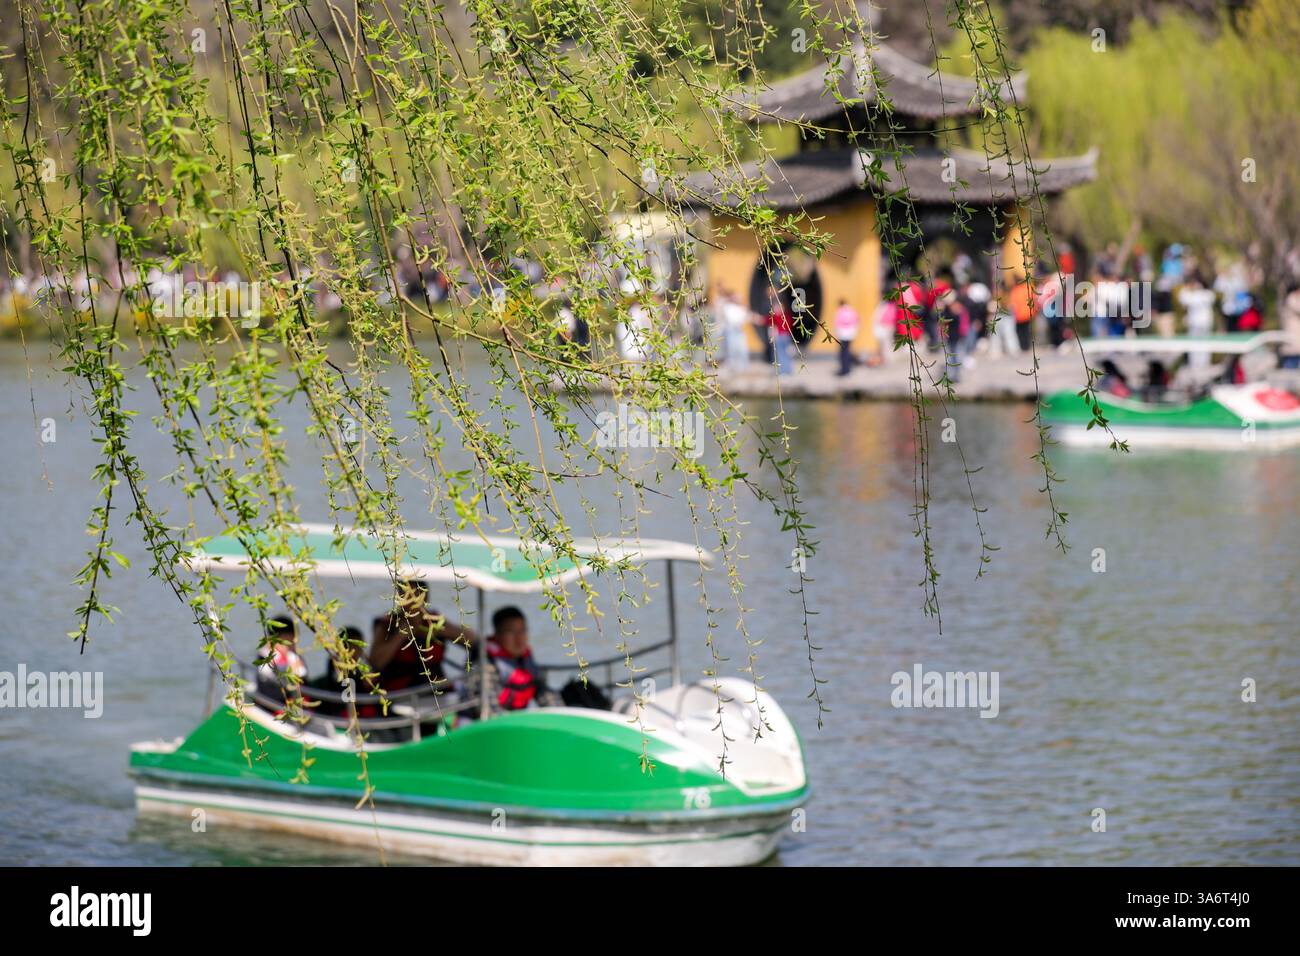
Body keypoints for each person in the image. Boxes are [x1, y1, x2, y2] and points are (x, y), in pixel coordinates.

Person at [369, 580, 477, 694]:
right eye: (404, 595)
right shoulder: (388, 623)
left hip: (437, 689)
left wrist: (441, 632)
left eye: (415, 595)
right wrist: (401, 635)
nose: (409, 601)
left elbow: (474, 641)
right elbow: (376, 662)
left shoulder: (434, 621)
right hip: (400, 693)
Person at [479, 606, 553, 711]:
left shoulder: (526, 660)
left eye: (522, 631)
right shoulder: (486, 664)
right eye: (511, 632)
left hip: (517, 717)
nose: (519, 638)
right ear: (497, 635)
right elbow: (489, 708)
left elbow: (545, 695)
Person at [717, 288, 752, 370]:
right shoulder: (727, 307)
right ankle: (733, 366)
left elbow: (745, 317)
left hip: (738, 330)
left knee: (742, 349)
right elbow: (729, 318)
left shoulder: (740, 308)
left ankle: (743, 366)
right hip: (731, 330)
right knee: (732, 349)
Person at [767, 293, 794, 376]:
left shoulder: (777, 316)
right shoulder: (787, 316)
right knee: (785, 354)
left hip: (781, 337)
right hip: (786, 336)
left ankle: (783, 371)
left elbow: (768, 322)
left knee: (780, 354)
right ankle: (788, 370)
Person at [832, 298, 860, 376]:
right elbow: (857, 320)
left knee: (843, 353)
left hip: (843, 335)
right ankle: (847, 369)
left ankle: (844, 369)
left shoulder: (840, 311)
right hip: (851, 334)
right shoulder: (851, 310)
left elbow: (837, 323)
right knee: (847, 351)